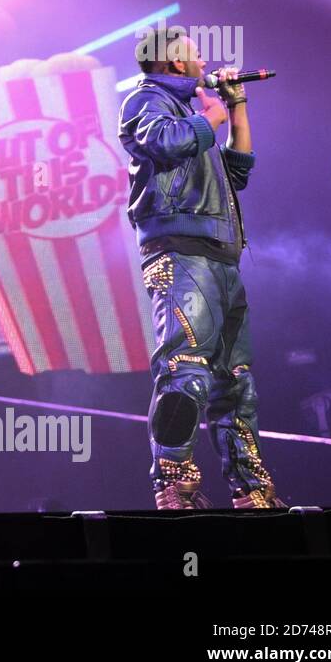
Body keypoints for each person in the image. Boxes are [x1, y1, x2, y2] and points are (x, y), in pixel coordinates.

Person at [118, 26, 285, 510]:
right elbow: (164, 143)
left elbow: (237, 171)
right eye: (195, 55)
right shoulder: (145, 100)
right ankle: (174, 483)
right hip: (180, 252)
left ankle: (251, 489)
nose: (204, 63)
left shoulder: (197, 116)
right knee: (185, 368)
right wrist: (211, 113)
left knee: (235, 380)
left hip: (222, 256)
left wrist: (235, 107)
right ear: (173, 63)